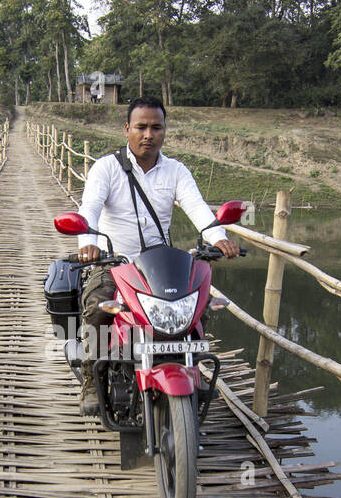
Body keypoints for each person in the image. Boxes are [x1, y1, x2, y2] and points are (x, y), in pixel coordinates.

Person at [74, 95, 240, 416]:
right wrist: (88, 242)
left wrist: (219, 238)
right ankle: (91, 381)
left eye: (156, 127)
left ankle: (191, 366)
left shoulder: (176, 171)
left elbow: (197, 208)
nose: (148, 134)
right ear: (127, 129)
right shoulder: (106, 169)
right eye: (141, 127)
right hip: (116, 263)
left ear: (165, 131)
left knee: (196, 302)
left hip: (158, 265)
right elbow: (90, 209)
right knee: (97, 305)